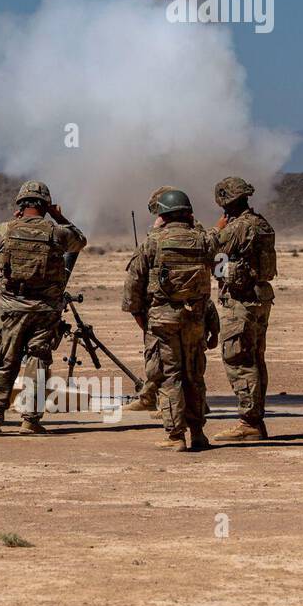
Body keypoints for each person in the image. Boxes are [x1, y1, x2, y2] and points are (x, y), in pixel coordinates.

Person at [0, 181, 86, 435]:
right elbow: (80, 241)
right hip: (45, 311)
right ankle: (30, 420)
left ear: (20, 204)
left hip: (11, 309)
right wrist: (59, 215)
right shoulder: (57, 232)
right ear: (45, 205)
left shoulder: (3, 230)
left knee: (4, 362)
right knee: (37, 362)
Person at [122, 188, 214, 452]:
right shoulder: (203, 240)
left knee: (168, 377)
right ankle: (198, 433)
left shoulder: (153, 242)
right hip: (195, 320)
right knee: (194, 375)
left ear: (161, 214)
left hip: (162, 322)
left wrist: (143, 319)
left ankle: (176, 436)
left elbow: (133, 290)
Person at [210, 176, 277, 441]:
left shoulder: (238, 227)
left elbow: (211, 249)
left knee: (238, 359)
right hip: (259, 299)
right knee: (255, 359)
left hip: (241, 302)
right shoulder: (261, 224)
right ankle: (254, 419)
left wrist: (217, 229)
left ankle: (249, 422)